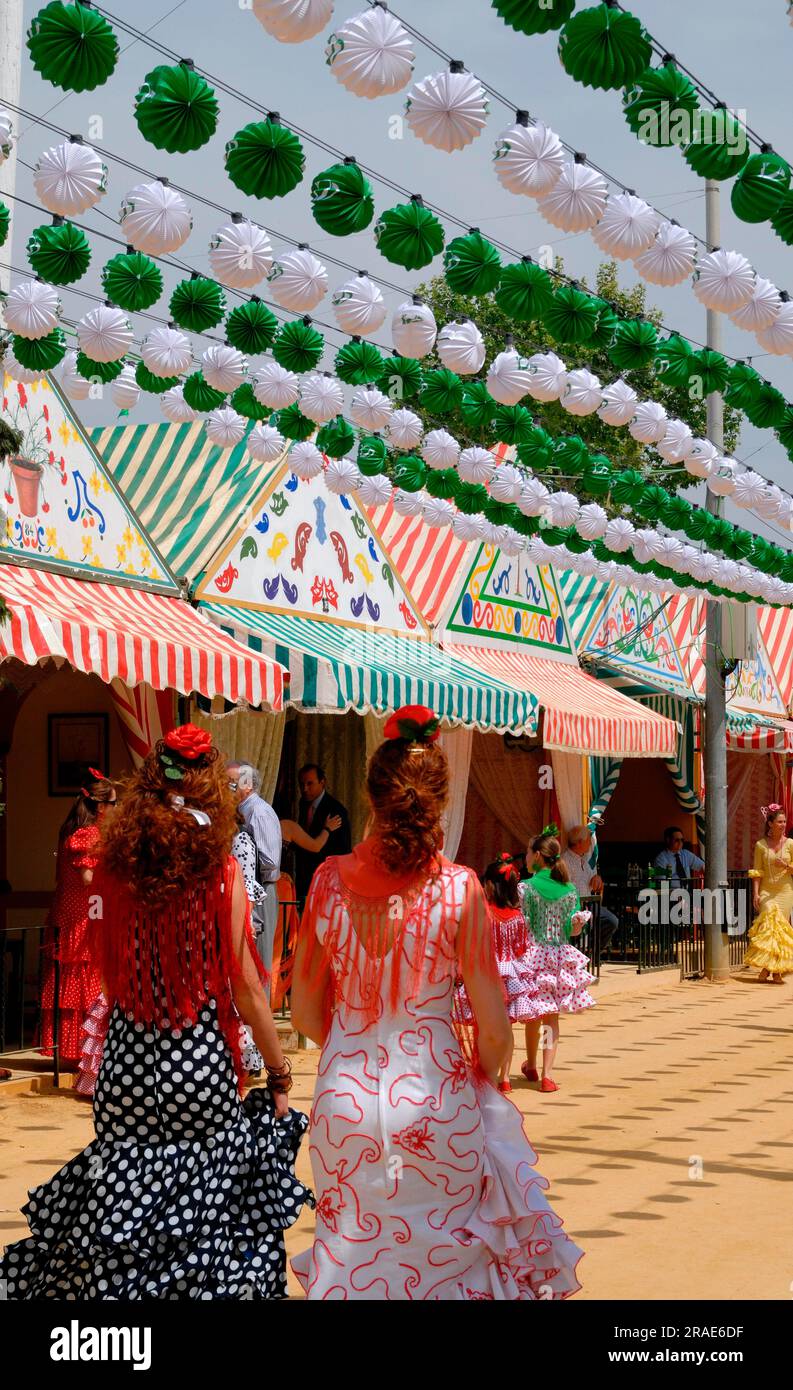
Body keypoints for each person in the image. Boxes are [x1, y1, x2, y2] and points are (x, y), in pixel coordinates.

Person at [1, 725, 311, 1299]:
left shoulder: (118, 868)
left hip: (127, 1061)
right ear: (212, 790)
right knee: (203, 1209)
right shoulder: (219, 868)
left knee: (125, 1196)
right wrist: (280, 1071)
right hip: (194, 1058)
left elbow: (110, 961)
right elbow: (245, 984)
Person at [290, 704, 582, 1300]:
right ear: (439, 801)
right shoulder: (459, 888)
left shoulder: (324, 882)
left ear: (371, 797)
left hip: (343, 1099)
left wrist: (352, 1048)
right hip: (435, 1095)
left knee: (356, 1260)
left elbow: (304, 1013)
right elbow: (496, 1027)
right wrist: (477, 1075)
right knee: (446, 1266)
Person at [39, 769, 116, 1077]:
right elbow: (88, 878)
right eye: (113, 802)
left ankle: (76, 1051)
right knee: (82, 982)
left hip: (73, 914)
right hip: (81, 917)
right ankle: (80, 1052)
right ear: (100, 807)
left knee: (74, 981)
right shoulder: (88, 834)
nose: (116, 808)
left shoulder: (77, 829)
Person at [518, 827, 595, 1095]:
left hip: (533, 955)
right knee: (551, 1018)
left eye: (528, 852)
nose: (525, 857)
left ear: (538, 856)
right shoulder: (570, 889)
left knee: (532, 1017)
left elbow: (520, 923)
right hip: (559, 956)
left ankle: (531, 1065)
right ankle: (547, 1074)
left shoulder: (526, 888)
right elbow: (574, 928)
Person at [455, 852, 534, 1094]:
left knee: (483, 1025)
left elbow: (471, 944)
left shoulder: (482, 914)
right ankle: (505, 1077)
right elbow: (523, 947)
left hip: (486, 974)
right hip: (511, 975)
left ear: (488, 885)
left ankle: (483, 1071)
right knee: (506, 1027)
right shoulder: (519, 917)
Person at [227, 761, 282, 978]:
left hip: (261, 892)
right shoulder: (242, 811)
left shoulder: (259, 812)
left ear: (247, 784)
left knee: (259, 963)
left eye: (231, 783)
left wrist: (243, 862)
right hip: (247, 891)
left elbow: (270, 861)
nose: (227, 787)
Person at [746, 803, 793, 983]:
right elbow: (757, 871)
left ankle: (773, 970)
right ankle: (771, 969)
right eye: (779, 821)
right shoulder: (760, 845)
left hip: (785, 891)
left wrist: (786, 866)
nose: (782, 824)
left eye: (784, 821)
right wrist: (756, 894)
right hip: (767, 890)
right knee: (768, 927)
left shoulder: (790, 844)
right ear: (770, 823)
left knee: (779, 930)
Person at [293, 762, 351, 900]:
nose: (305, 789)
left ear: (322, 782)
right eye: (302, 784)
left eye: (310, 783)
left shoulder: (336, 810)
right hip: (305, 877)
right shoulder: (303, 803)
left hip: (326, 880)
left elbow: (343, 850)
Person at [562, 825, 619, 955]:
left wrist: (597, 878)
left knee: (611, 921)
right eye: (588, 840)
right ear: (579, 842)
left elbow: (592, 881)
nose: (590, 843)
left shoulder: (583, 860)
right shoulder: (565, 860)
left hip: (588, 905)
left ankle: (592, 954)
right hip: (574, 907)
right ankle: (581, 955)